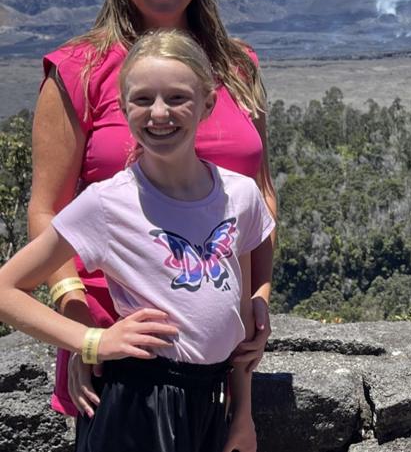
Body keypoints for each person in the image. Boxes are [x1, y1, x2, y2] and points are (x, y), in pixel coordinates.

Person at [27, 0, 277, 419]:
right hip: (118, 335)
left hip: (220, 334)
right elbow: (46, 209)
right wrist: (83, 331)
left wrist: (258, 302)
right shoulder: (78, 69)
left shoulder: (235, 65)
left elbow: (260, 192)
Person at [0, 30, 273, 452]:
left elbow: (237, 317)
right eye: (142, 100)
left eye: (177, 98)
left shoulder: (239, 195)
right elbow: (5, 289)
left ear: (207, 105)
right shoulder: (108, 204)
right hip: (139, 402)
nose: (159, 114)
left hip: (212, 399)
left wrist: (242, 415)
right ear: (124, 107)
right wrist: (91, 341)